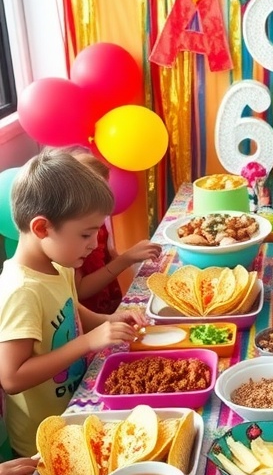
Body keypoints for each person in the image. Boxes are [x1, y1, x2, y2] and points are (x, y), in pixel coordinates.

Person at [0, 148, 147, 458]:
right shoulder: (20, 290)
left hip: (75, 409)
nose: (94, 244)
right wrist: (88, 342)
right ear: (41, 228)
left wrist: (110, 321)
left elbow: (72, 310)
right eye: (85, 234)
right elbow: (11, 377)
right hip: (41, 442)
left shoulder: (60, 267)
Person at [67, 147, 162, 315]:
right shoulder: (71, 237)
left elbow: (109, 254)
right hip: (91, 315)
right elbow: (80, 290)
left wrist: (137, 263)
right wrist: (127, 258)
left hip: (109, 301)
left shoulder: (98, 220)